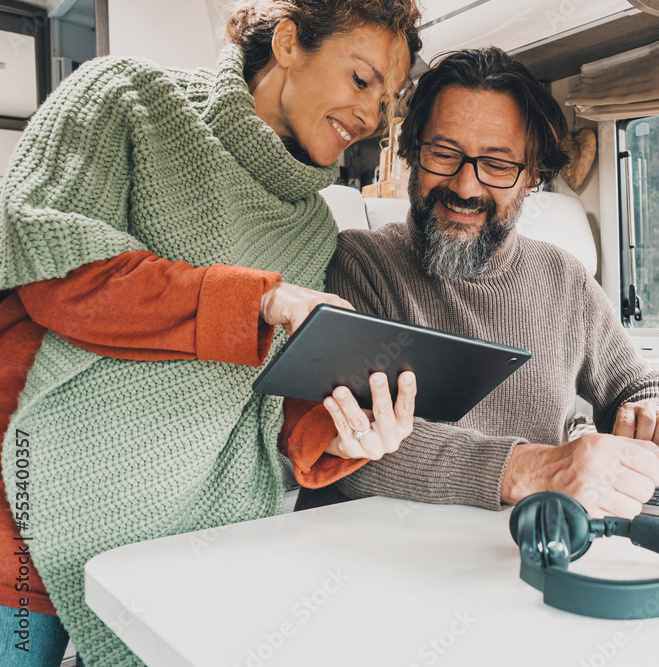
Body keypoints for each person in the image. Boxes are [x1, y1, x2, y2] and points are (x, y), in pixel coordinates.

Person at [0, 1, 422, 664]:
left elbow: (264, 404)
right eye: (362, 79)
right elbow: (56, 266)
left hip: (180, 552)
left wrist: (344, 433)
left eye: (388, 99)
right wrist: (259, 302)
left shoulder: (313, 228)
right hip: (21, 515)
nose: (372, 116)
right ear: (289, 43)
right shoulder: (125, 96)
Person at [299, 47, 659, 520]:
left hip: (523, 544)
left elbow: (637, 383)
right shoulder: (359, 263)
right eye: (444, 154)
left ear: (530, 179)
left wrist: (656, 410)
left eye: (498, 164)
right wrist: (536, 469)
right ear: (411, 156)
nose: (466, 187)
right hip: (385, 550)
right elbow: (349, 442)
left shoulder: (566, 279)